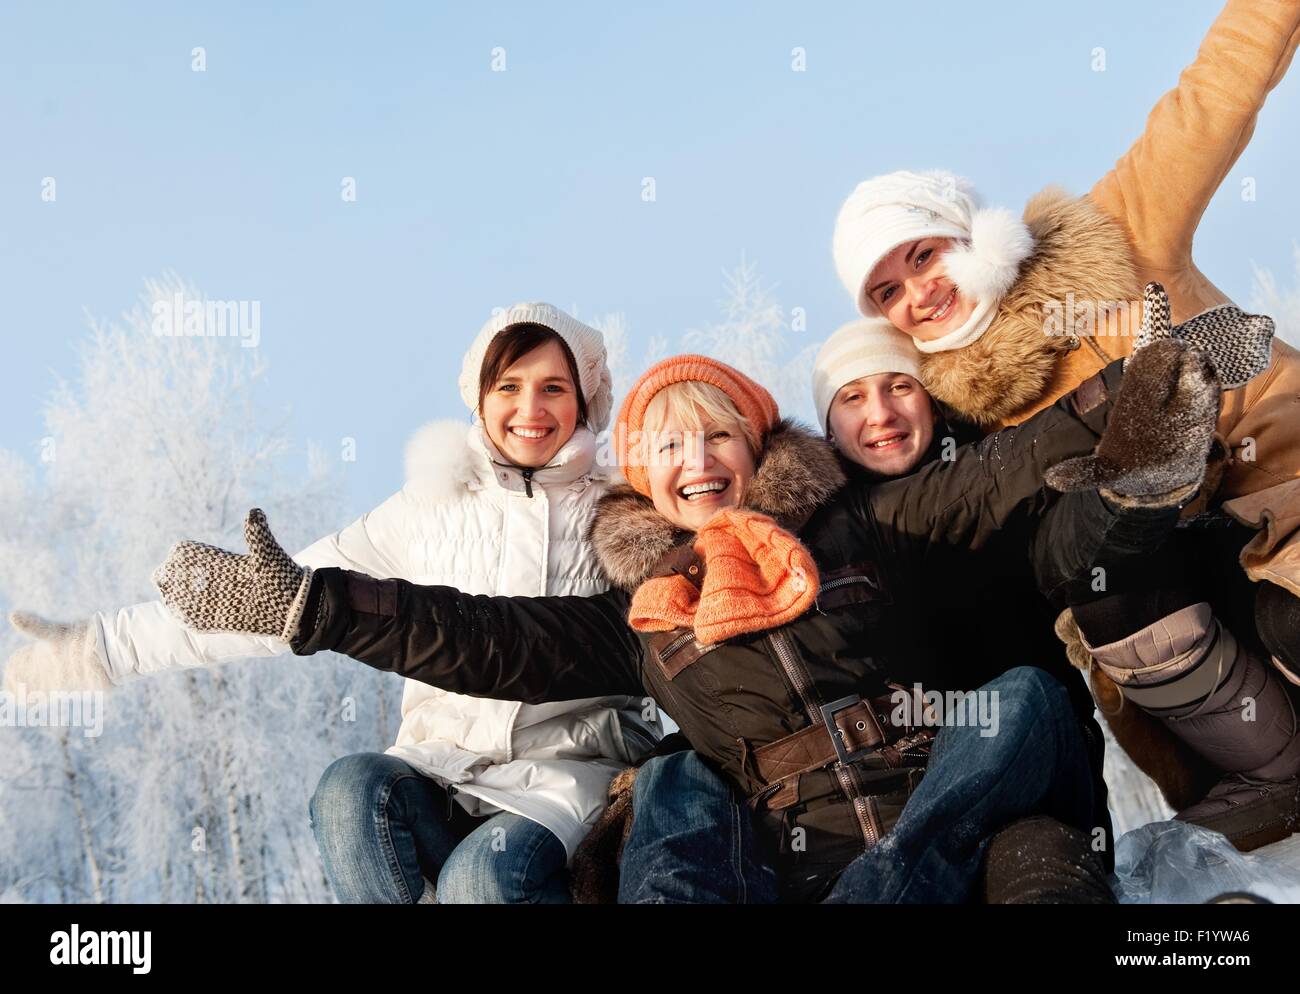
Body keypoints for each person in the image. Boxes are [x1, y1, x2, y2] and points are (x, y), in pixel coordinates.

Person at [151, 341, 1222, 902]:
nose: (695, 461)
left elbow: (994, 473)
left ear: (756, 450)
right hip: (797, 852)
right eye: (667, 446)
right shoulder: (639, 617)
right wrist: (313, 605)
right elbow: (480, 635)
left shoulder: (861, 527)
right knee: (672, 781)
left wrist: (1127, 399)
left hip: (942, 803)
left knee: (1025, 700)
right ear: (643, 479)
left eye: (716, 437)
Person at [5, 303, 661, 904]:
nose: (530, 408)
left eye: (554, 388)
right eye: (509, 386)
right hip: (442, 768)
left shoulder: (625, 510)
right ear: (479, 396)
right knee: (350, 790)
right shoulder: (425, 510)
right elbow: (276, 602)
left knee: (480, 880)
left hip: (569, 779)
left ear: (586, 397)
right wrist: (102, 648)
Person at [831, 0, 1300, 831]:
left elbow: (1214, 96)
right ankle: (1273, 780)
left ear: (968, 234)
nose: (919, 292)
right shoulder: (953, 423)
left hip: (1282, 501)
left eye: (924, 254)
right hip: (1175, 610)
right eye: (888, 291)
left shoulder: (1113, 234)